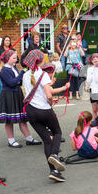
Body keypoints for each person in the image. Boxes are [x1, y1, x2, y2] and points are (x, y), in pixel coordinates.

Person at [22, 51, 70, 183]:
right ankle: (54, 154)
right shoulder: (42, 74)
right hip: (43, 109)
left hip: (30, 111)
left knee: (47, 141)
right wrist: (50, 102)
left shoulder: (26, 75)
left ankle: (54, 171)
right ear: (39, 60)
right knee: (57, 132)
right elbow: (49, 95)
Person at [0, 50, 42, 148]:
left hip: (17, 94)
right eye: (14, 58)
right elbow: (12, 83)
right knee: (9, 120)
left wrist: (26, 78)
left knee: (22, 118)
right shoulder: (4, 70)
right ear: (7, 59)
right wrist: (21, 73)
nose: (16, 60)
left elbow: (18, 82)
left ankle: (29, 138)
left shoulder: (14, 68)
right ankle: (11, 140)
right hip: (8, 96)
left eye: (16, 58)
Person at [0, 35, 15, 107]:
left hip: (11, 70)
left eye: (9, 40)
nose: (8, 42)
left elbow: (17, 60)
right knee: (1, 86)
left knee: (10, 87)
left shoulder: (13, 50)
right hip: (1, 70)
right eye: (6, 40)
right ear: (3, 41)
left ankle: (8, 104)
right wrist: (5, 56)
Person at [85, 53, 98, 120]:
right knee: (94, 109)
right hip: (93, 89)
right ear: (91, 61)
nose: (95, 59)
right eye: (93, 58)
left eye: (96, 58)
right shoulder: (90, 69)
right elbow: (89, 80)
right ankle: (95, 122)